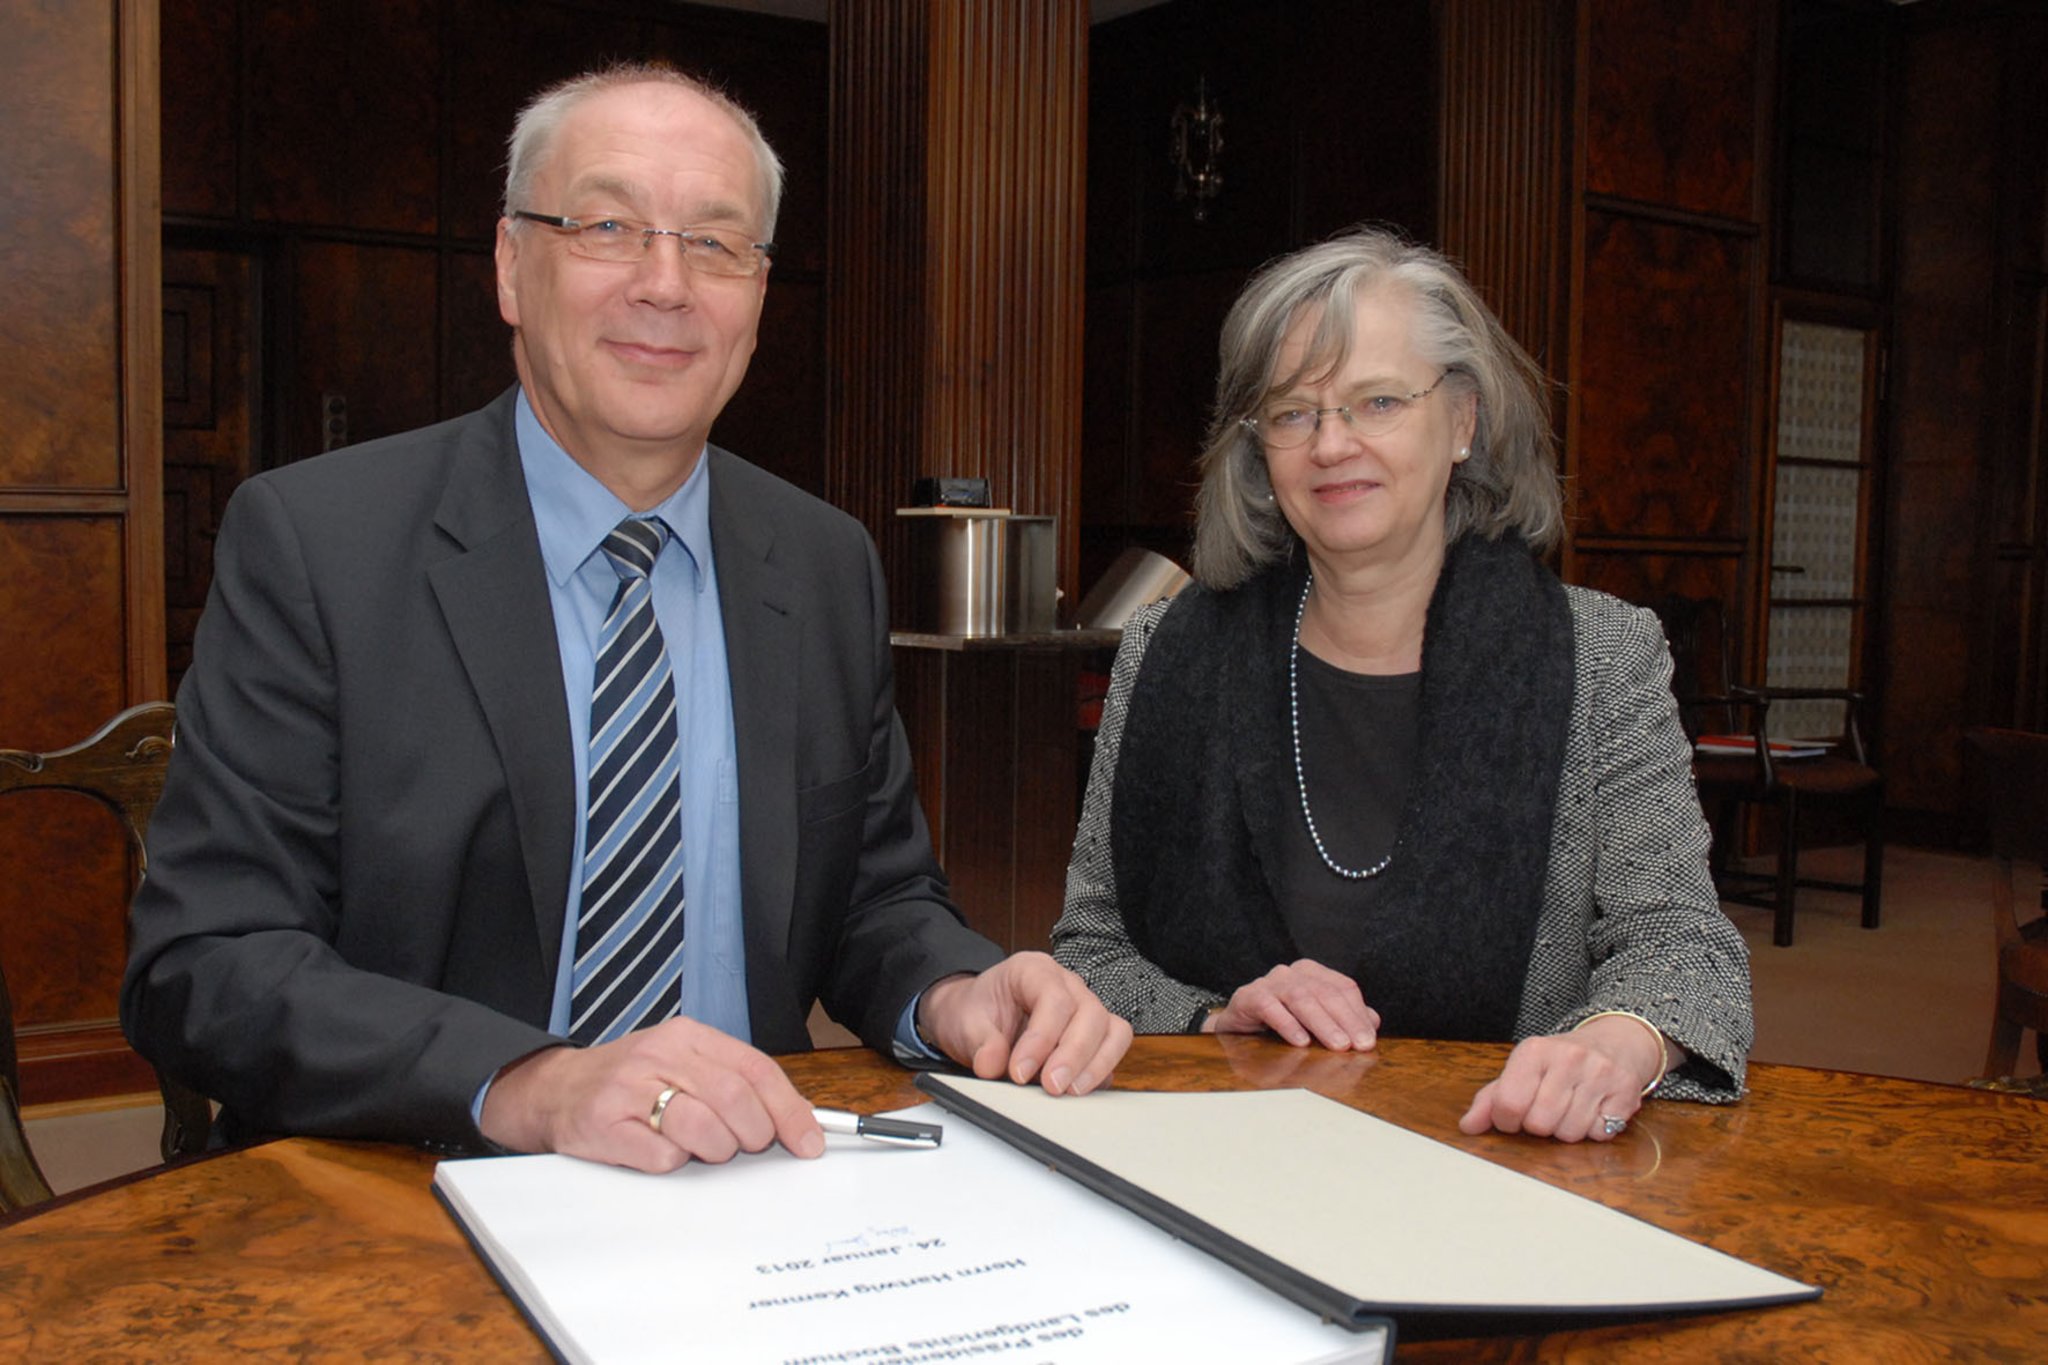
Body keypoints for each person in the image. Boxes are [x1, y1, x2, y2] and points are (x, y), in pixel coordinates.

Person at [122, 62, 1129, 1172]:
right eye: (607, 225)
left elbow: (870, 900)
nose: (665, 284)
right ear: (512, 265)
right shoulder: (317, 545)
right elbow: (207, 963)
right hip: (408, 1182)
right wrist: (532, 1084)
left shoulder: (821, 561)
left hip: (752, 1186)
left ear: (756, 293)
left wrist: (955, 990)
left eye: (715, 243)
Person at [1052, 226, 1750, 1143]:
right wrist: (1212, 1018)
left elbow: (1684, 947)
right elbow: (1091, 949)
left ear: (1462, 419)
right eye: (1293, 413)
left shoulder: (1601, 658)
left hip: (1501, 1164)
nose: (1331, 443)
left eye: (1376, 401)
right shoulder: (1167, 652)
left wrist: (1615, 1042)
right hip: (1223, 1152)